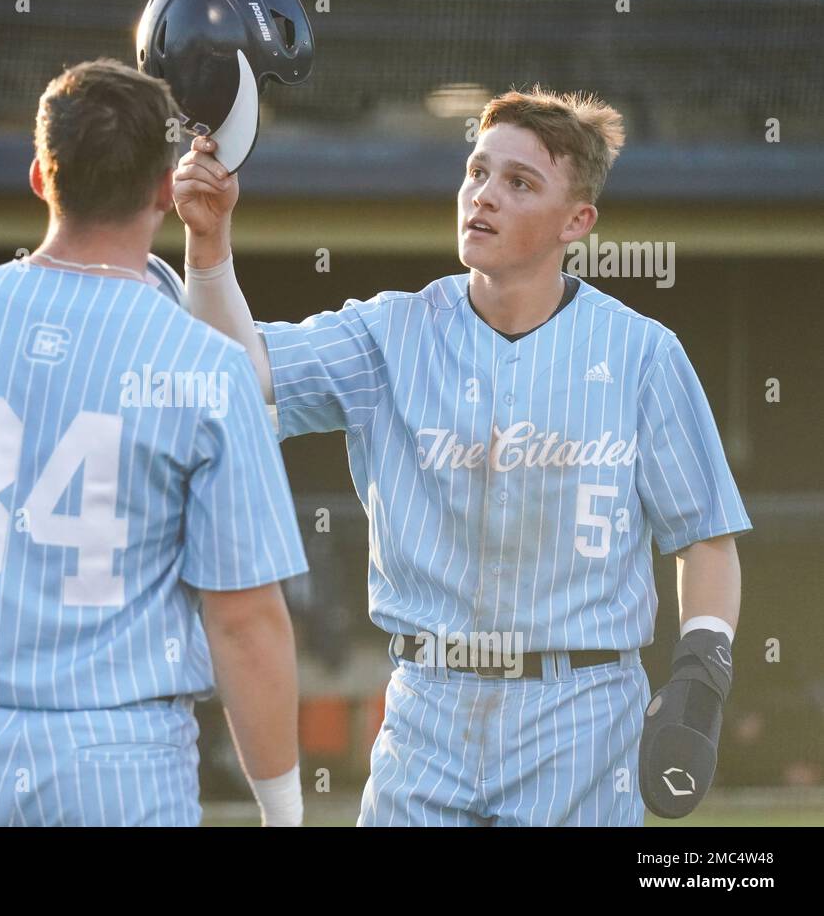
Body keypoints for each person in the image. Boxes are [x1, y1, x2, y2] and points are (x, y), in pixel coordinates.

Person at [178, 86, 751, 825]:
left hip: (582, 717)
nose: (483, 196)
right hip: (427, 711)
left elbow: (703, 535)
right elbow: (230, 372)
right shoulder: (390, 332)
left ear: (576, 222)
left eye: (519, 183)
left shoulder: (644, 353)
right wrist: (207, 245)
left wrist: (702, 673)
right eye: (477, 172)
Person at [0, 58, 309, 826]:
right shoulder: (206, 363)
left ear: (39, 176)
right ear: (162, 190)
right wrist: (284, 811)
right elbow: (245, 621)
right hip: (118, 754)